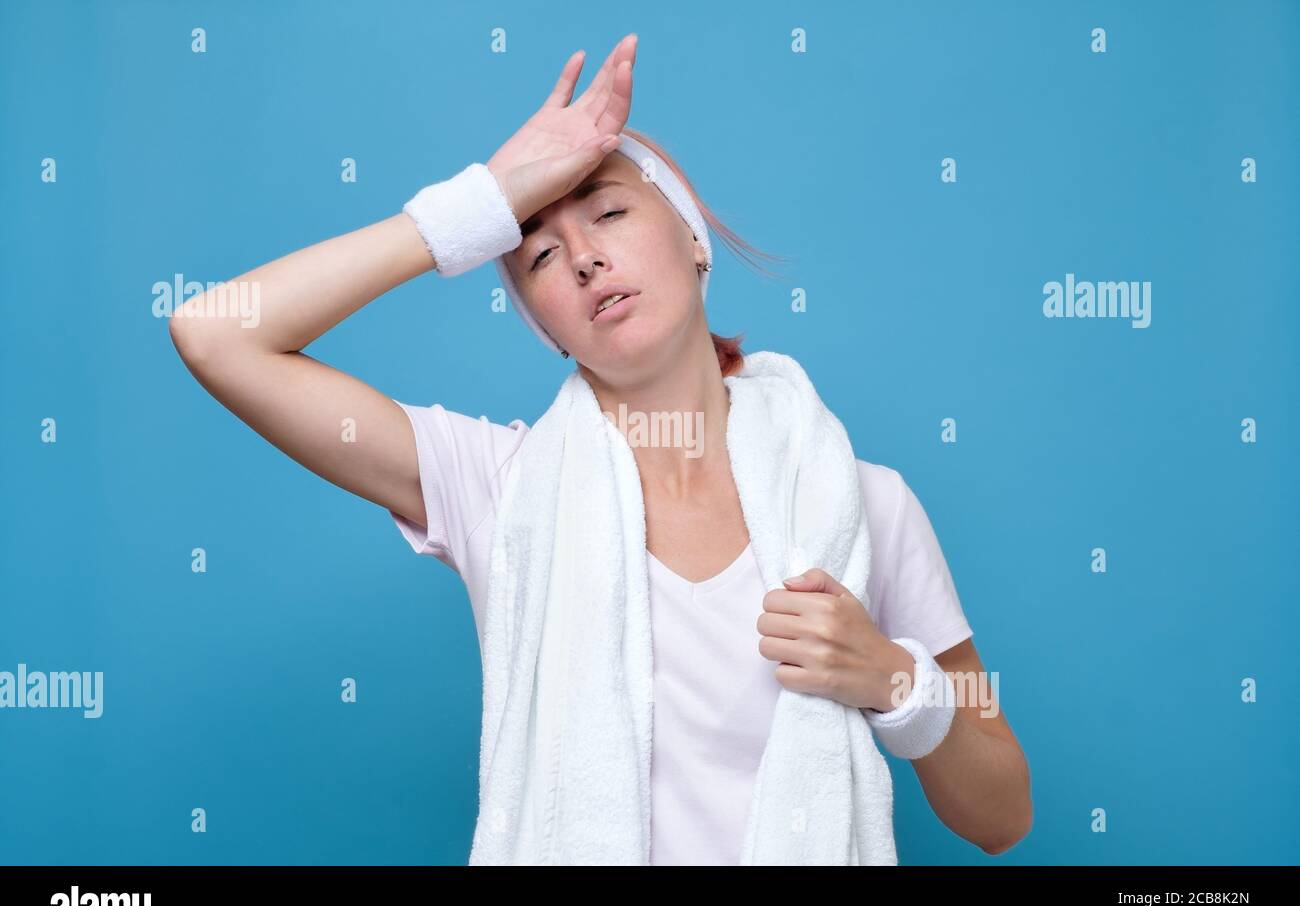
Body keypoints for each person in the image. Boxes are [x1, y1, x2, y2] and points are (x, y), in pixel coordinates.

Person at [168, 33, 1031, 864]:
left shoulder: (861, 504)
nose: (582, 258)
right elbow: (214, 336)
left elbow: (1004, 814)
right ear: (544, 327)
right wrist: (476, 205)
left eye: (610, 211)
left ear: (695, 240)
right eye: (538, 254)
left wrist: (896, 682)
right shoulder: (499, 492)